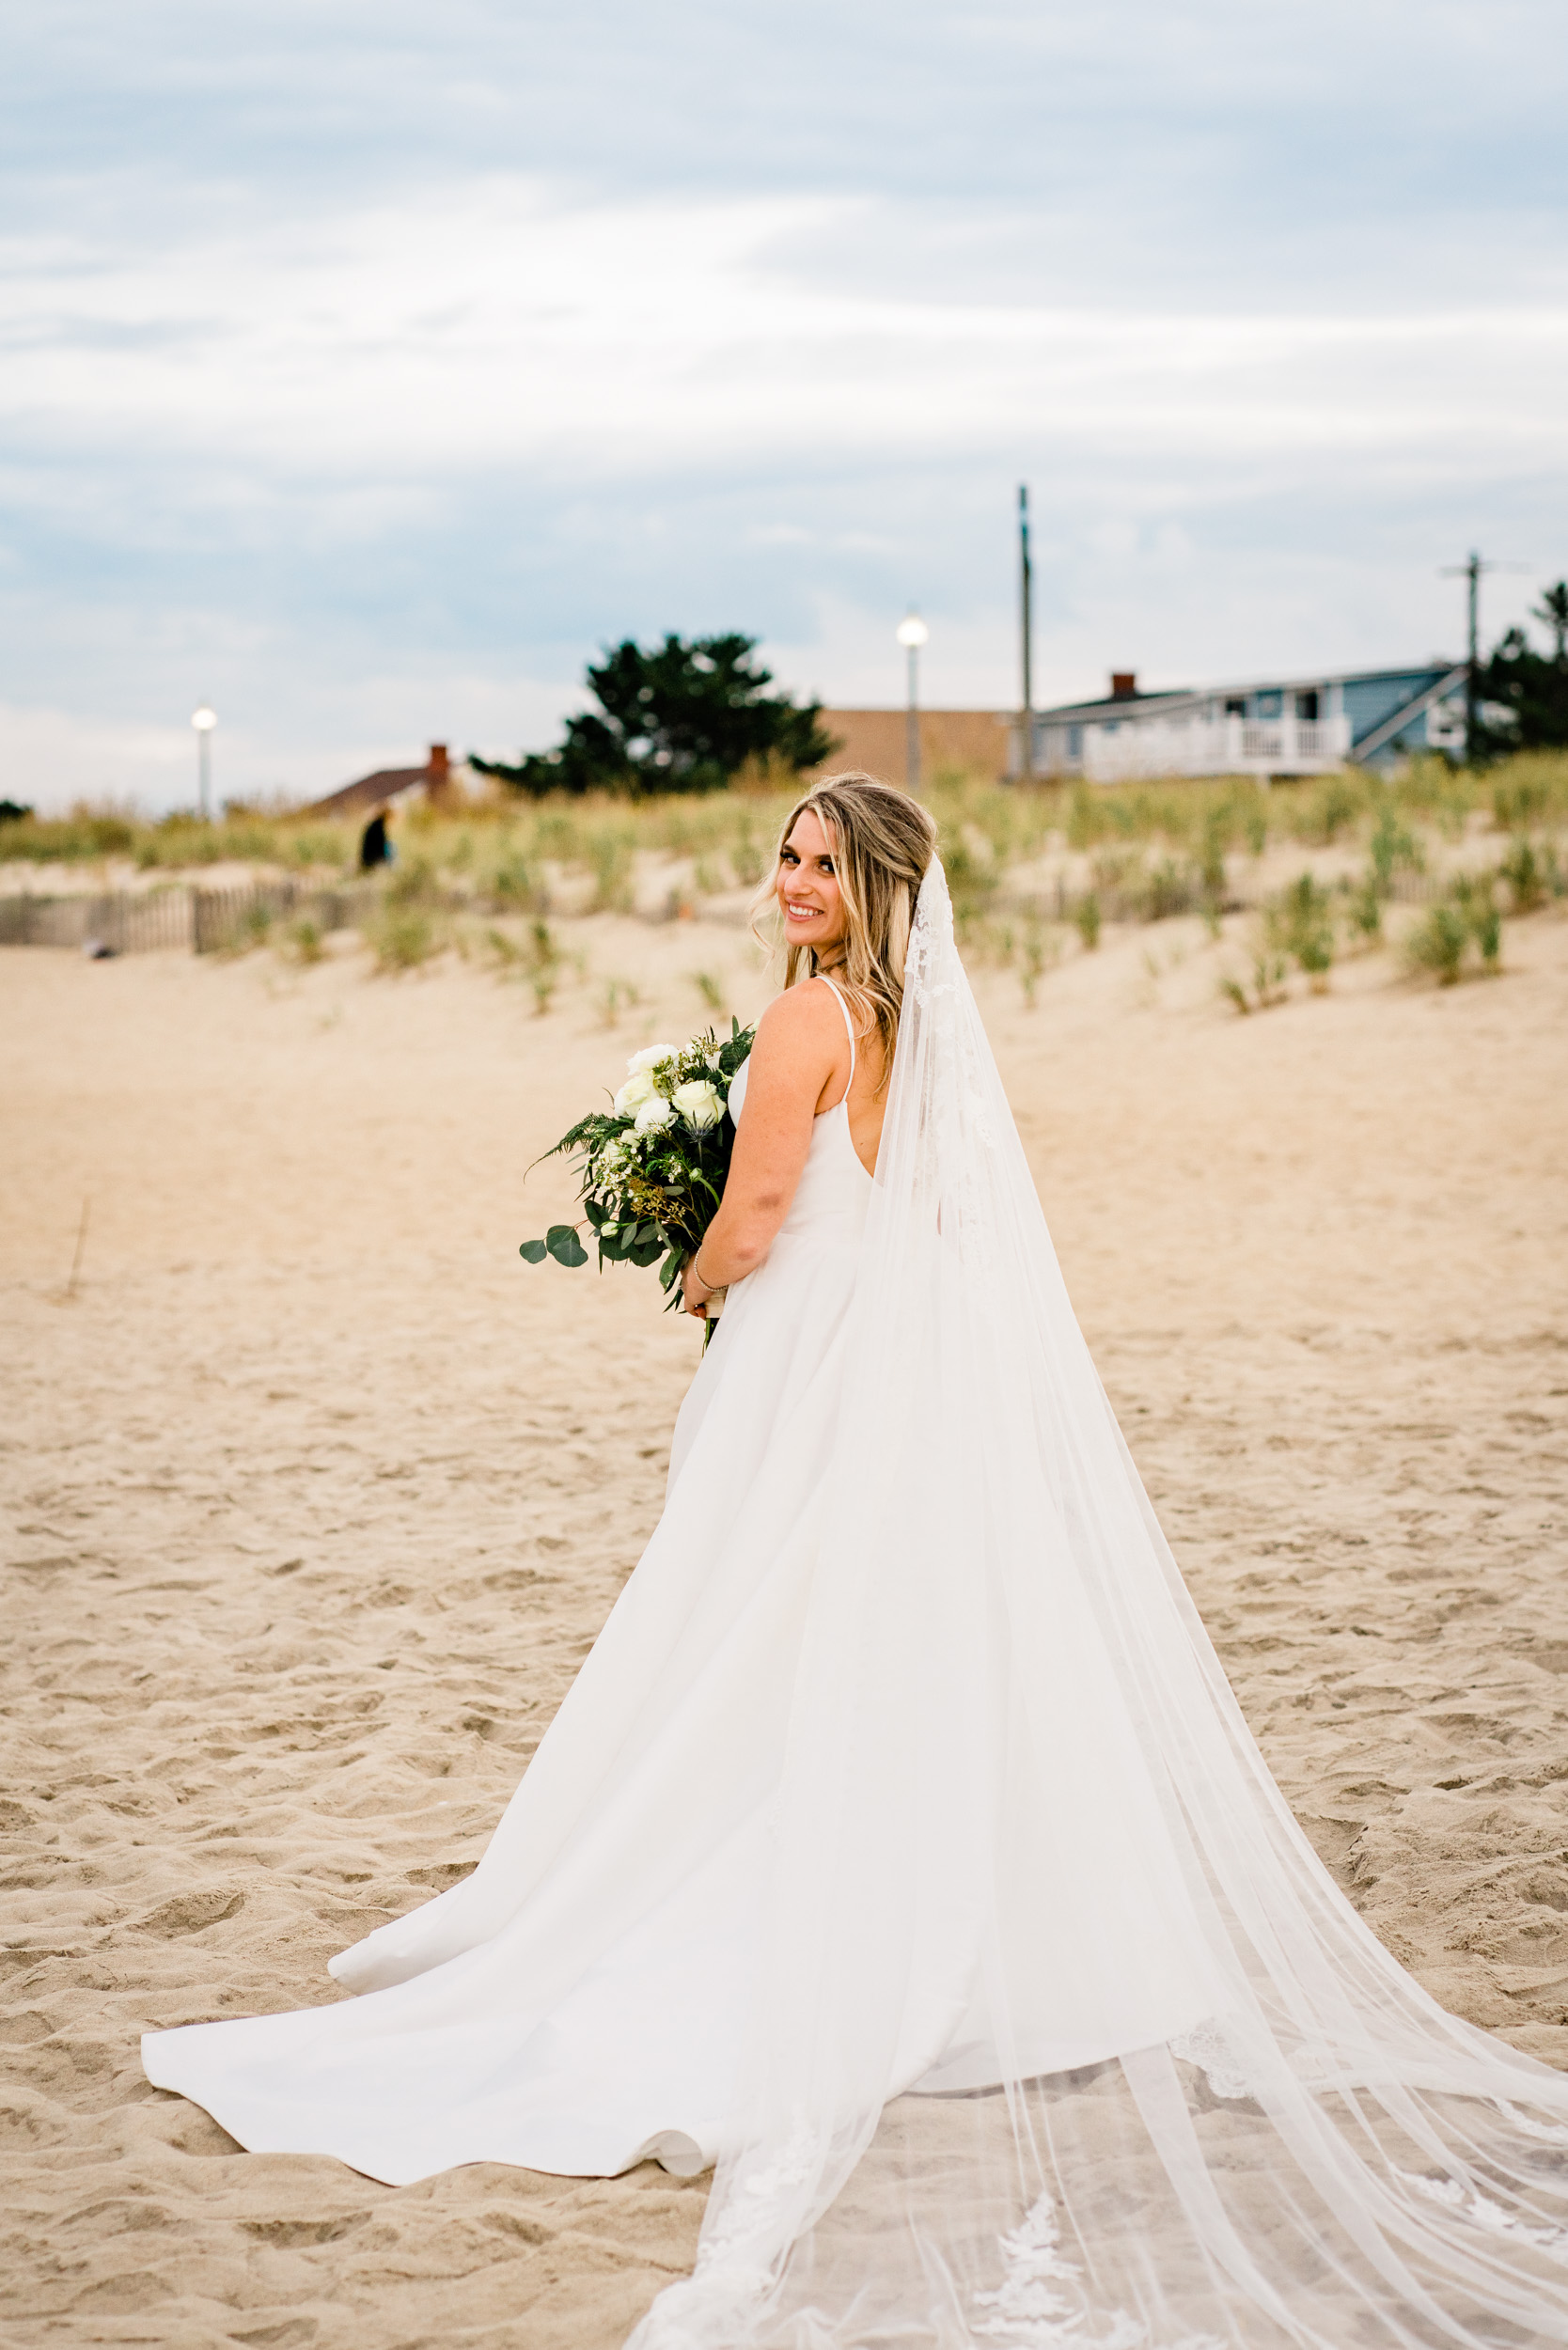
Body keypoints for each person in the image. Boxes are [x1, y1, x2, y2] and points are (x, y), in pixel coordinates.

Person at [145, 774, 1568, 2348]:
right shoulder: (930, 1031)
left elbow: (758, 1212)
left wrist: (692, 1280)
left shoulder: (806, 1022)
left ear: (879, 882)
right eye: (787, 856)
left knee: (742, 1626)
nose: (795, 880)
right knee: (866, 1637)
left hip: (806, 1359)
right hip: (900, 1363)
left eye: (824, 863)